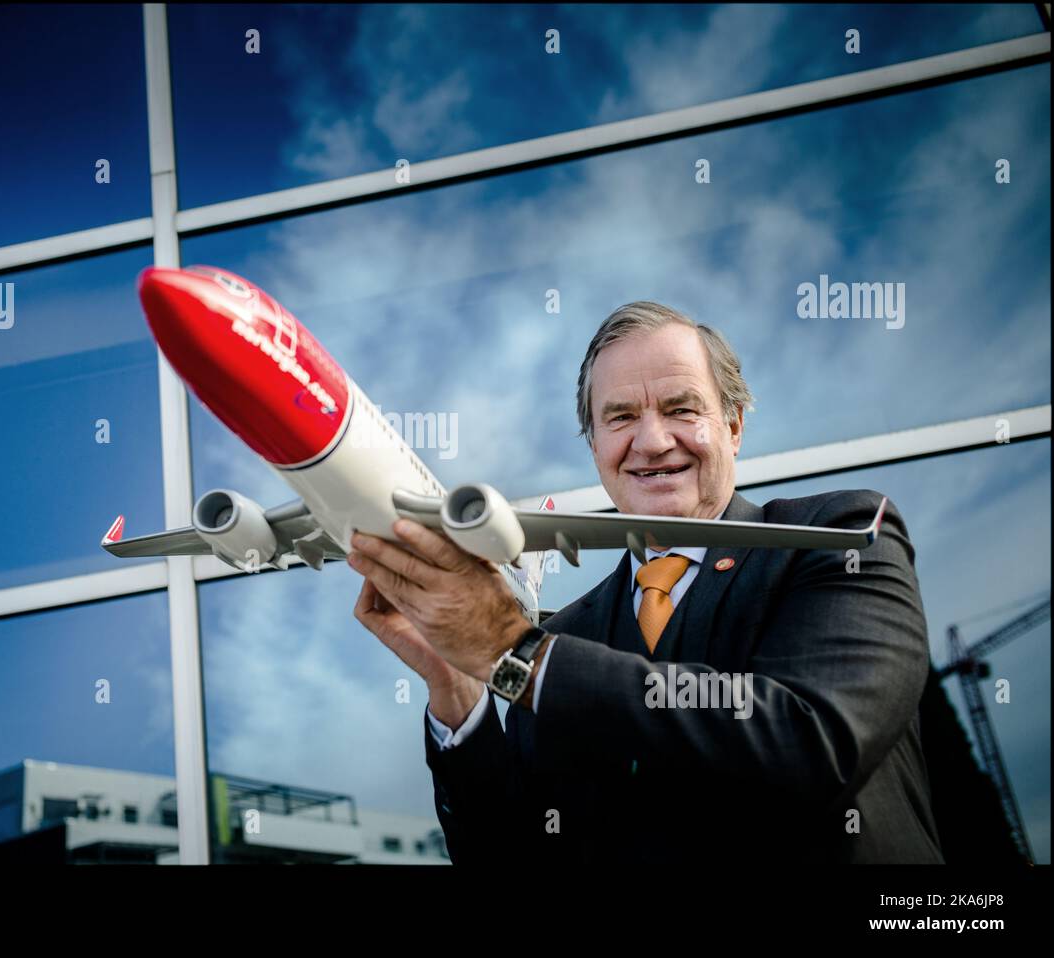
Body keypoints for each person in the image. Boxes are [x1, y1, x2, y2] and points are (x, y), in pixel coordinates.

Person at [346, 301, 943, 864]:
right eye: (622, 417)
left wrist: (514, 651)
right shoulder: (562, 634)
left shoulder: (840, 537)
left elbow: (809, 742)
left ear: (733, 427)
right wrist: (459, 689)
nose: (652, 441)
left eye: (682, 409)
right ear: (596, 446)